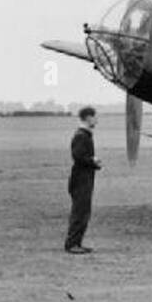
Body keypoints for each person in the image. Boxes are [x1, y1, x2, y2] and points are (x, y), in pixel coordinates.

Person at [66, 106, 102, 254]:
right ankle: (72, 244)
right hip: (81, 178)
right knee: (80, 212)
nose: (97, 120)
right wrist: (93, 161)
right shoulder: (82, 135)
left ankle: (77, 243)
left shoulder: (84, 134)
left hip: (84, 177)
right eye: (94, 117)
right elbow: (78, 157)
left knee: (83, 211)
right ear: (88, 118)